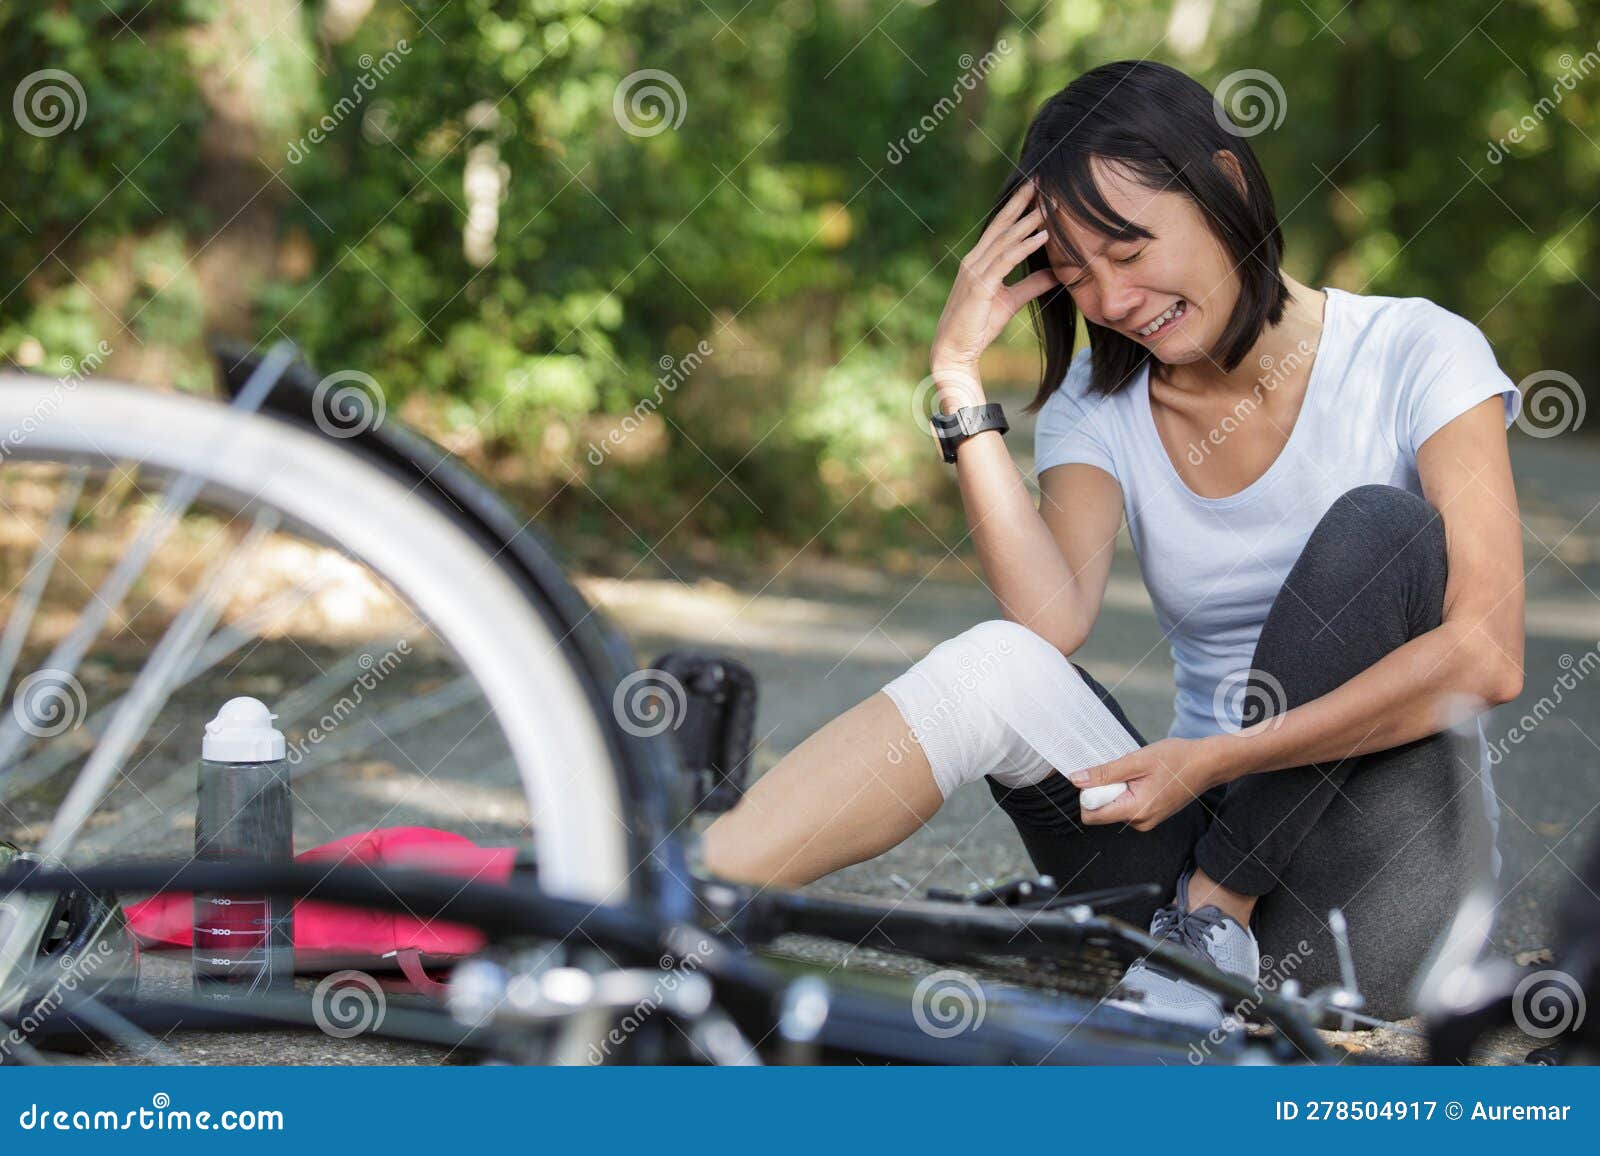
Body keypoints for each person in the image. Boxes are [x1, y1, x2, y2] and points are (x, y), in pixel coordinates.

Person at [700, 59, 1525, 1030]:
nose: (1112, 299)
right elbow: (1050, 620)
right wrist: (957, 377)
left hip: (1368, 892)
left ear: (1225, 181)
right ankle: (655, 896)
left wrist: (1216, 761)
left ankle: (1214, 915)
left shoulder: (1418, 351)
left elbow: (1489, 653)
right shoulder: (1100, 403)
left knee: (1376, 529)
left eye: (1129, 250)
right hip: (1172, 855)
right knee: (993, 663)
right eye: (1078, 272)